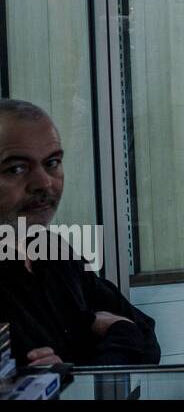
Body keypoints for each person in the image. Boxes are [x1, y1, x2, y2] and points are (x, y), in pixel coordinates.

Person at [0, 99, 161, 366]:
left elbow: (145, 336)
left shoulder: (52, 251)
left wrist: (120, 333)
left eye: (52, 162)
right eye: (16, 168)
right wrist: (118, 332)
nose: (43, 182)